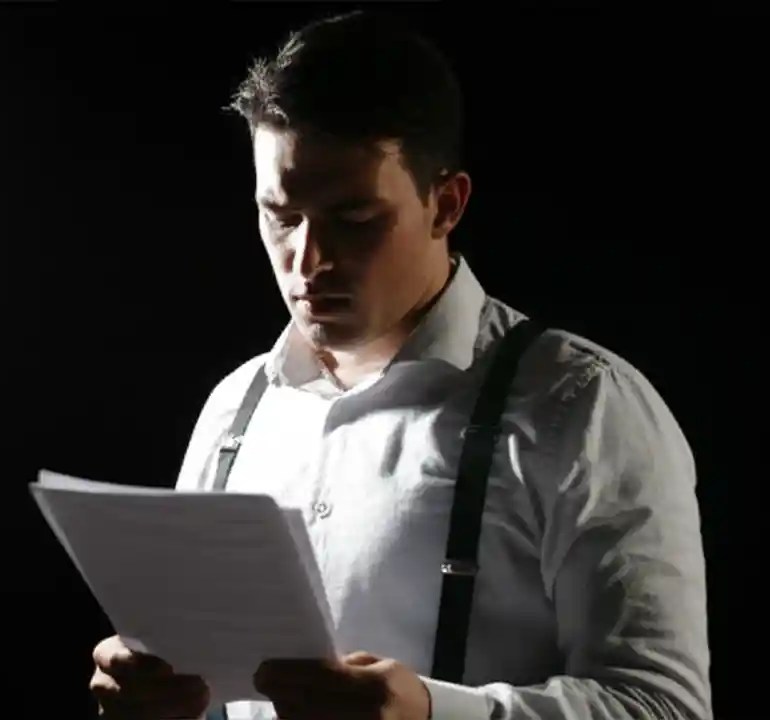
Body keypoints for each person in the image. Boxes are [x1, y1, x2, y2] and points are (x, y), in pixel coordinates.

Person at [88, 10, 711, 720]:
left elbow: (664, 706)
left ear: (445, 204)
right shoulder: (236, 411)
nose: (308, 261)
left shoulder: (583, 407)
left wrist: (431, 711)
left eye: (354, 220)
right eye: (281, 217)